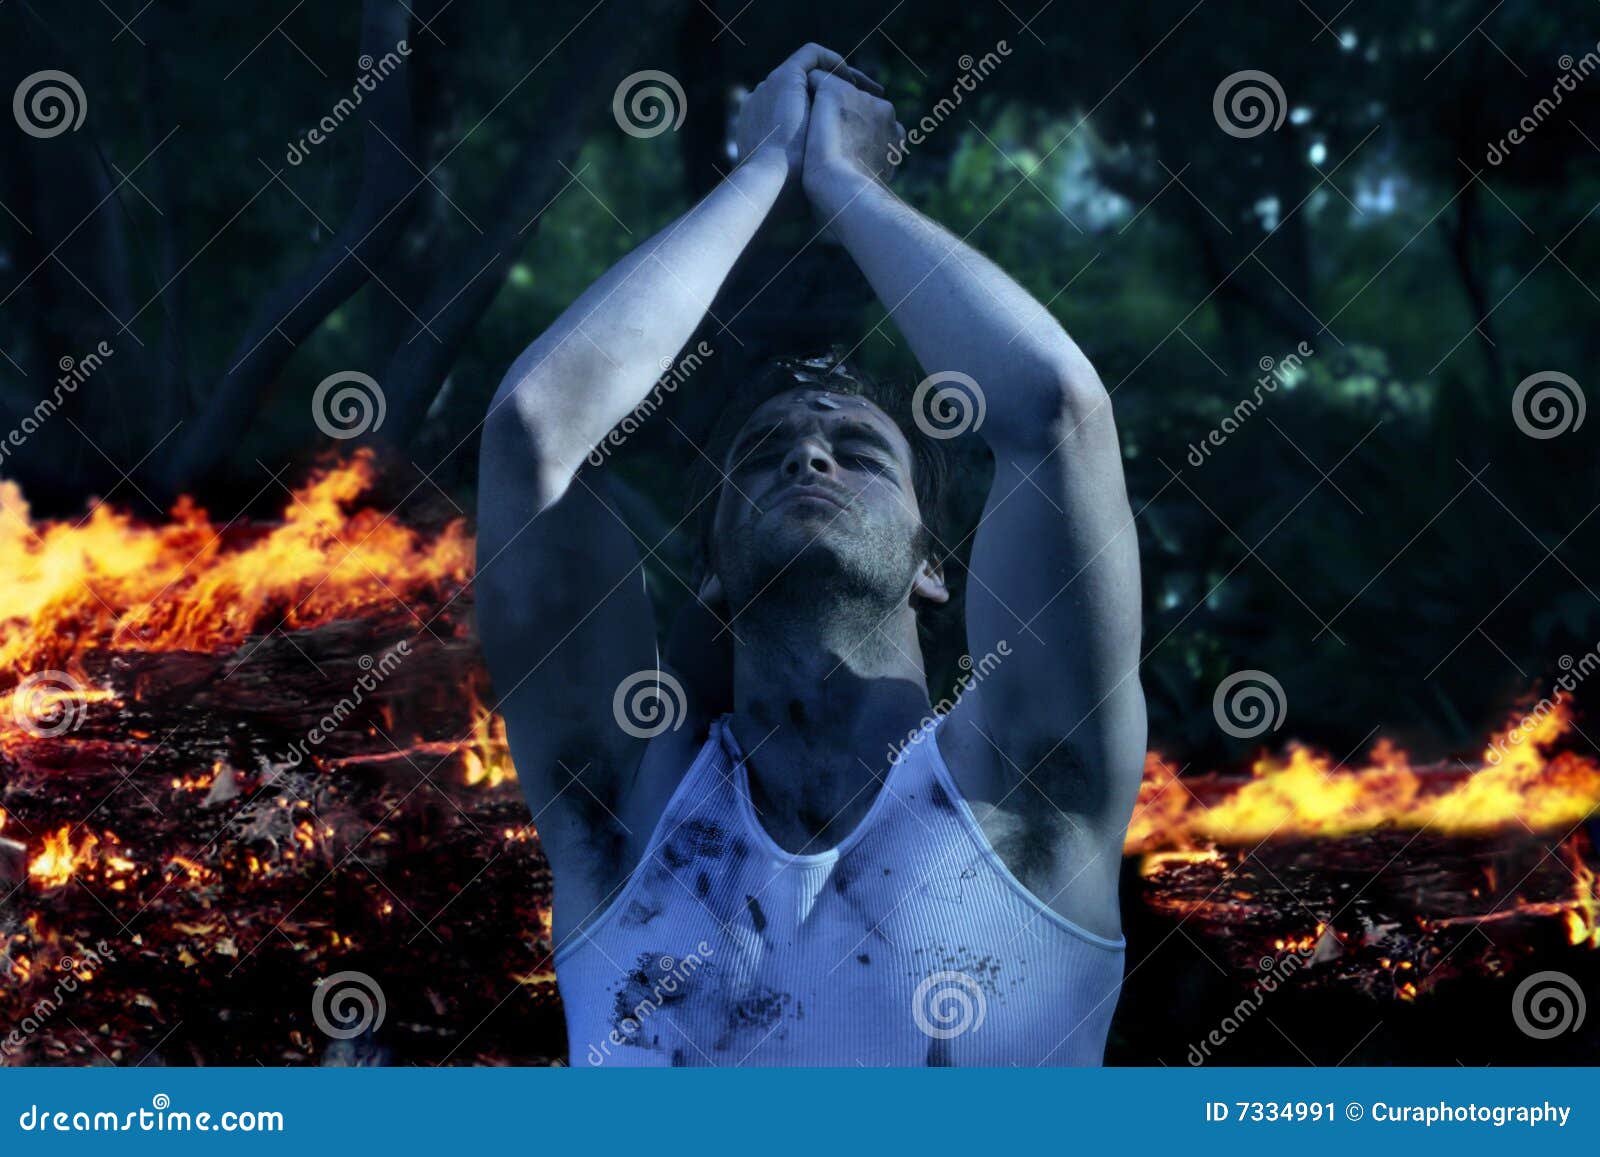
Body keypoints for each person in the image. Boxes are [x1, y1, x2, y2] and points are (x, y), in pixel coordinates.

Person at [475, 44, 1145, 1066]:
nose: (809, 455)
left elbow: (1053, 409)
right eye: (763, 455)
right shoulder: (627, 812)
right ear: (711, 570)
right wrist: (759, 172)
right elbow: (536, 430)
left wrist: (843, 183)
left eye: (860, 450)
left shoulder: (1026, 793)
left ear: (931, 566)